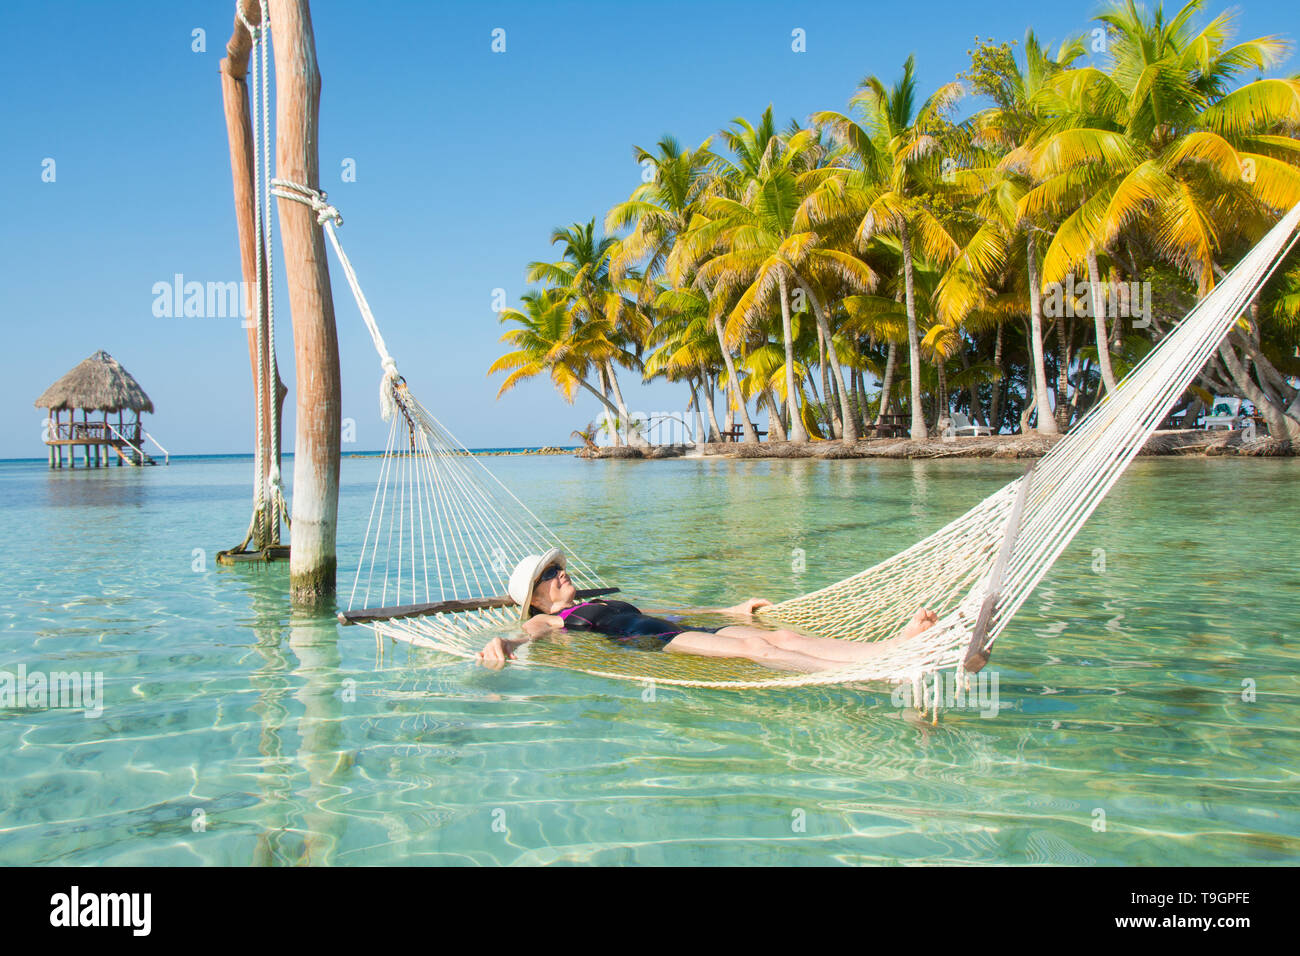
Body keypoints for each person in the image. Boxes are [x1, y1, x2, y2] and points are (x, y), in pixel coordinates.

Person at [476, 548, 939, 672]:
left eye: (558, 567)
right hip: (656, 640)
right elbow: (527, 634)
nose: (560, 574)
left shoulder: (600, 601)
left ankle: (890, 648)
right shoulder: (549, 618)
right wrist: (505, 642)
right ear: (535, 598)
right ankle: (879, 670)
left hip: (678, 624)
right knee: (758, 649)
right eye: (549, 575)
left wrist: (729, 609)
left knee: (782, 638)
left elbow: (666, 607)